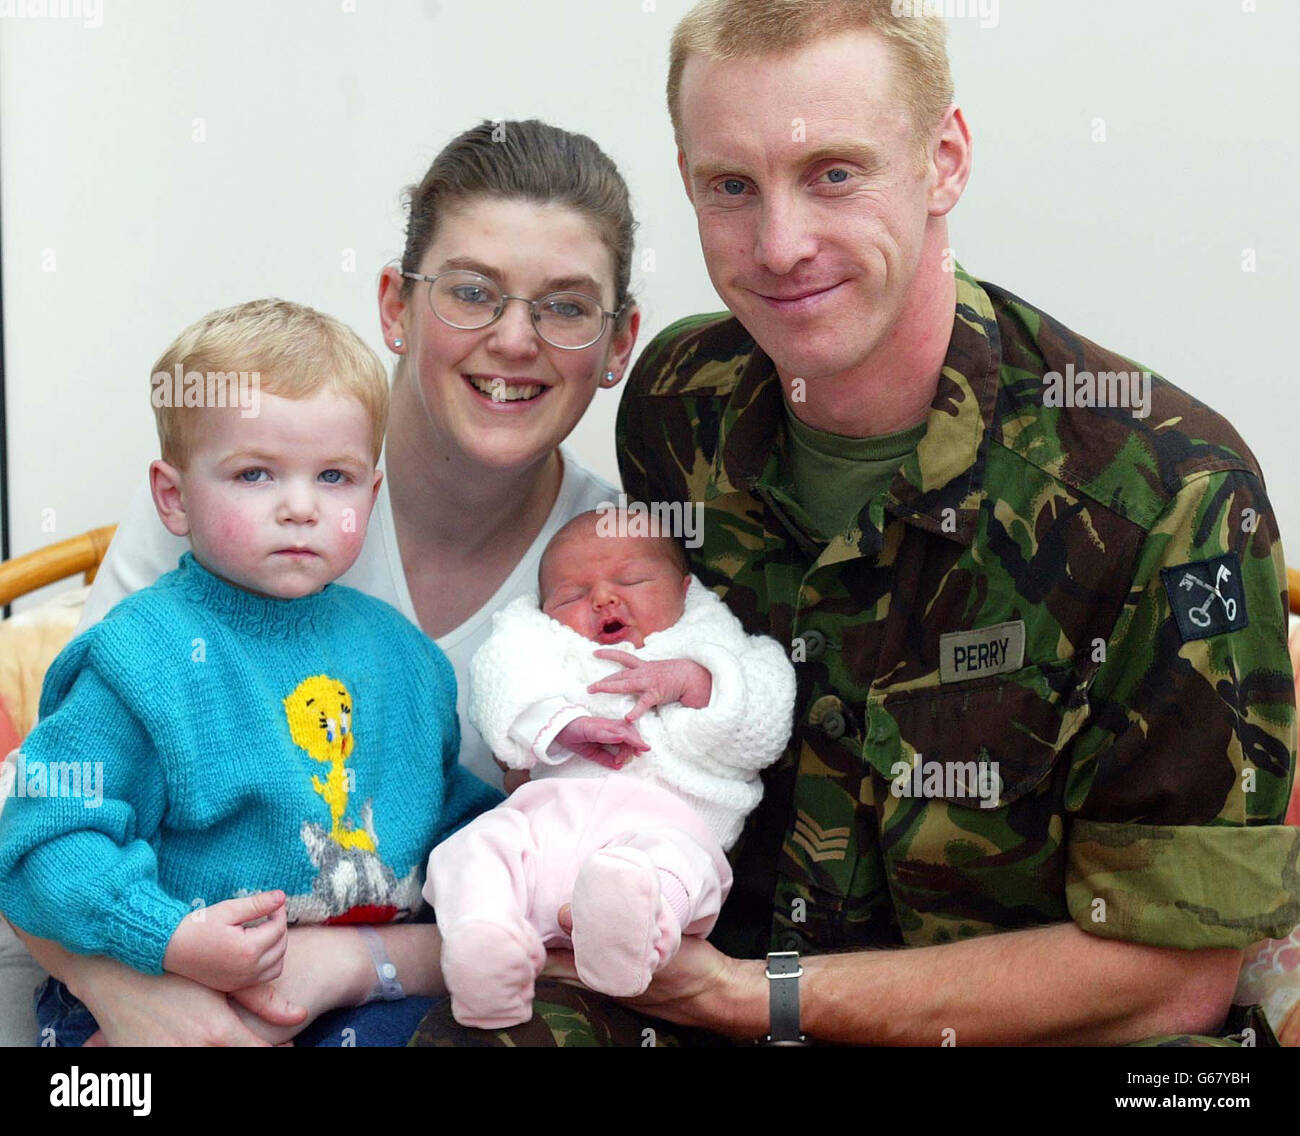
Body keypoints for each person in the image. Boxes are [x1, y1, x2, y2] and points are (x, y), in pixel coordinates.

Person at [412, 1, 1297, 1047]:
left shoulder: (1167, 490)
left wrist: (755, 998)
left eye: (834, 172)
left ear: (945, 160)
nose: (780, 246)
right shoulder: (679, 404)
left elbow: (1168, 977)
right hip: (675, 951)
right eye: (730, 187)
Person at [0, 118, 643, 1046]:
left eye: (566, 306)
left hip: (388, 997)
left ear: (618, 341)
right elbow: (40, 831)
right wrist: (150, 989)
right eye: (471, 292)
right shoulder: (194, 549)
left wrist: (354, 965)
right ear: (396, 306)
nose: (514, 338)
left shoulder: (611, 576)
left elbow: (523, 883)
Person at [0, 299, 504, 1046]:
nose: (300, 507)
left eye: (333, 476)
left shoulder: (409, 662)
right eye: (256, 474)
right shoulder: (138, 658)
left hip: (366, 1005)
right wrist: (167, 937)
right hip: (158, 994)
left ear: (371, 494)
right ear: (173, 498)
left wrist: (534, 862)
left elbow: (459, 833)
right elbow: (43, 840)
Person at [426, 510, 795, 1026]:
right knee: (471, 848)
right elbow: (501, 684)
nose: (602, 598)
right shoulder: (540, 642)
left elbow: (765, 717)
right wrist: (562, 725)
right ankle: (487, 947)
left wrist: (697, 683)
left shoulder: (717, 647)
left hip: (666, 825)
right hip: (546, 823)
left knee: (671, 868)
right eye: (571, 595)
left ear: (686, 591)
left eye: (632, 581)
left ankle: (631, 937)